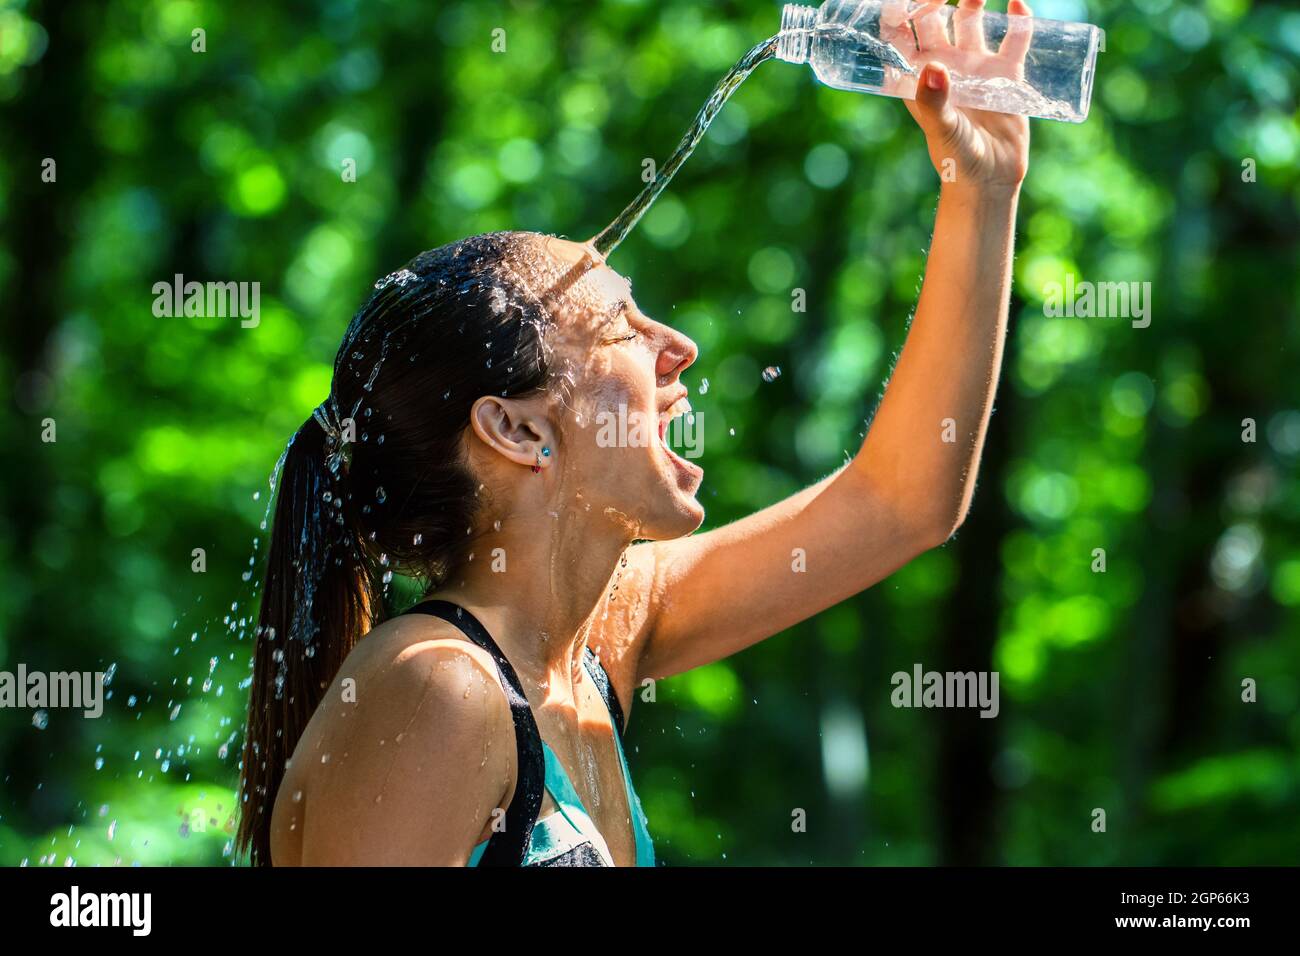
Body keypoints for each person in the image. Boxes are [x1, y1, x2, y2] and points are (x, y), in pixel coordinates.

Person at [238, 0, 1033, 866]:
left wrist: (981, 189)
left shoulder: (590, 650)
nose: (680, 348)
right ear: (515, 427)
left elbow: (902, 500)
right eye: (624, 327)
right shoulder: (437, 688)